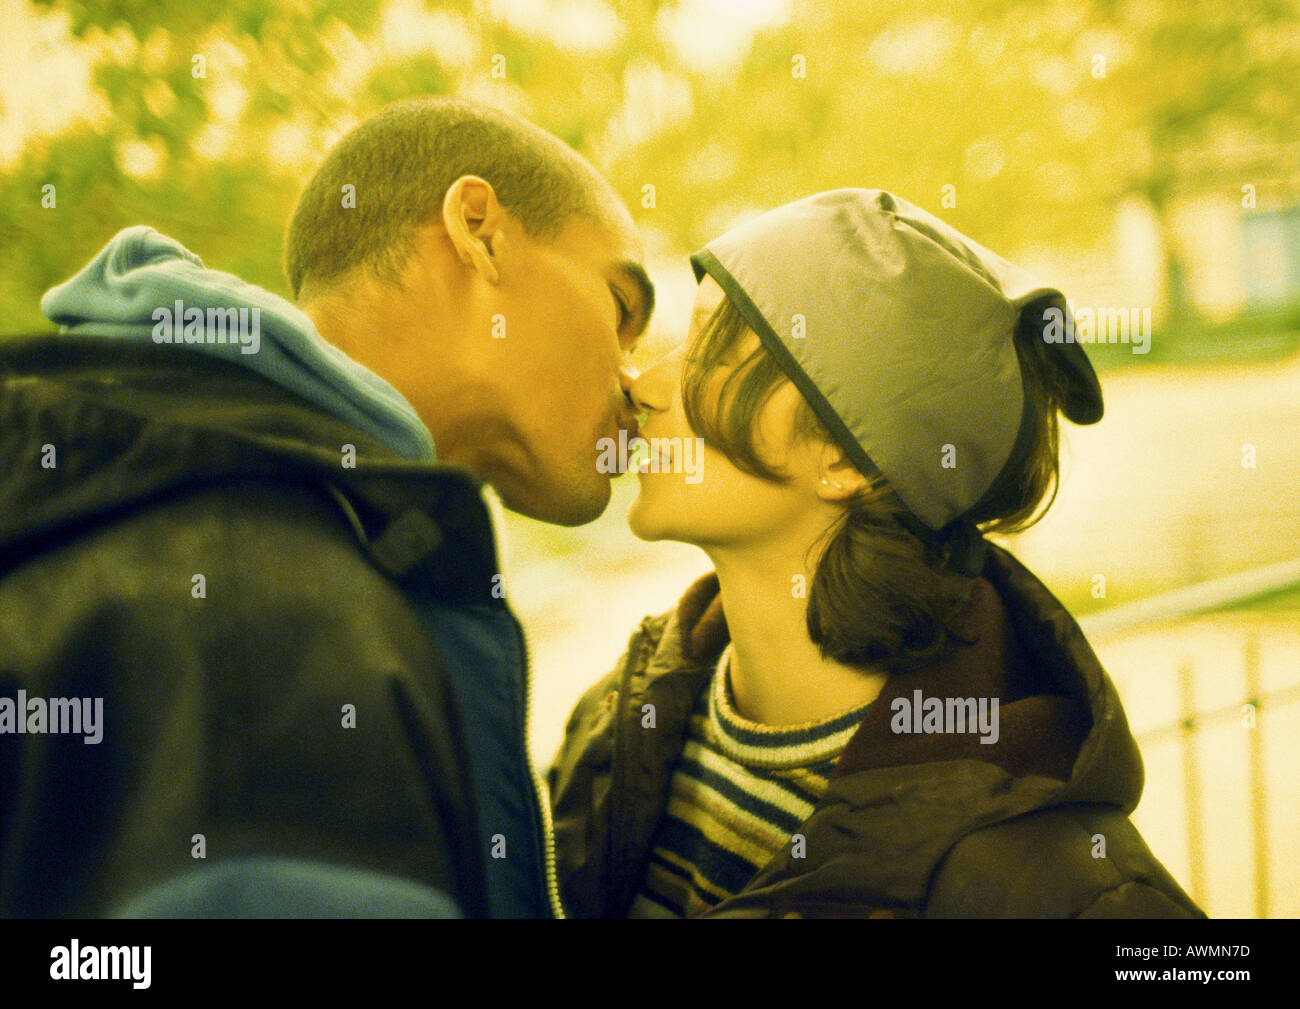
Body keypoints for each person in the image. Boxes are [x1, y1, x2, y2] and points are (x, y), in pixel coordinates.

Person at [0, 96, 652, 918]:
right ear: (478, 228)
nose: (638, 379)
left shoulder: (275, 519)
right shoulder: (248, 595)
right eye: (623, 309)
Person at [548, 188, 1206, 919]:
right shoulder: (617, 724)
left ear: (845, 456)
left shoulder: (1067, 890)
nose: (643, 382)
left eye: (705, 352)